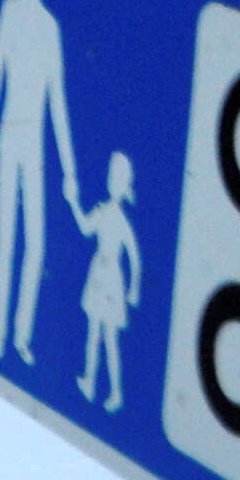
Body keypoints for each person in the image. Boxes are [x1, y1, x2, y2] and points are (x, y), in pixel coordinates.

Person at [0, 0, 83, 365]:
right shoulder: (9, 11)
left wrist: (70, 170)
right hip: (8, 135)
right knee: (6, 236)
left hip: (36, 143)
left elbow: (59, 101)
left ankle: (22, 334)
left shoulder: (51, 27)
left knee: (36, 244)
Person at [75, 153, 143, 410]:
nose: (112, 181)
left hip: (112, 279)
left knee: (110, 338)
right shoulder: (101, 211)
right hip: (98, 275)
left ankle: (116, 393)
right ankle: (89, 381)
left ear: (124, 185)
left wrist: (134, 289)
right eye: (111, 176)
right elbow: (84, 228)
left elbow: (135, 257)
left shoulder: (122, 221)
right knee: (93, 332)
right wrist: (73, 202)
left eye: (117, 178)